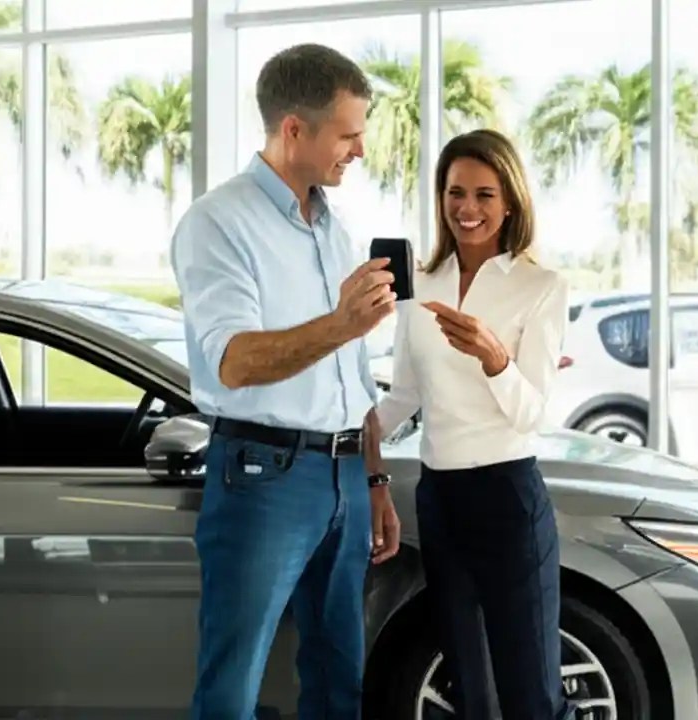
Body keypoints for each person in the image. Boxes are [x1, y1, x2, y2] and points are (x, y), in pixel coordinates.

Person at [170, 43, 402, 720]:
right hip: (263, 478)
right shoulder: (218, 223)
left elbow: (351, 378)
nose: (359, 150)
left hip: (345, 479)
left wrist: (375, 479)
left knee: (339, 678)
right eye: (348, 133)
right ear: (294, 129)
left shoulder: (332, 227)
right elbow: (234, 361)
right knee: (233, 685)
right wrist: (341, 321)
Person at [372, 128, 574, 720]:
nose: (468, 209)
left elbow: (530, 413)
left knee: (531, 690)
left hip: (507, 497)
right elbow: (405, 393)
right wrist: (355, 435)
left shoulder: (542, 286)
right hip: (441, 499)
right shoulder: (419, 283)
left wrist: (494, 358)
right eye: (455, 192)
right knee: (470, 687)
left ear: (510, 201)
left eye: (485, 195)